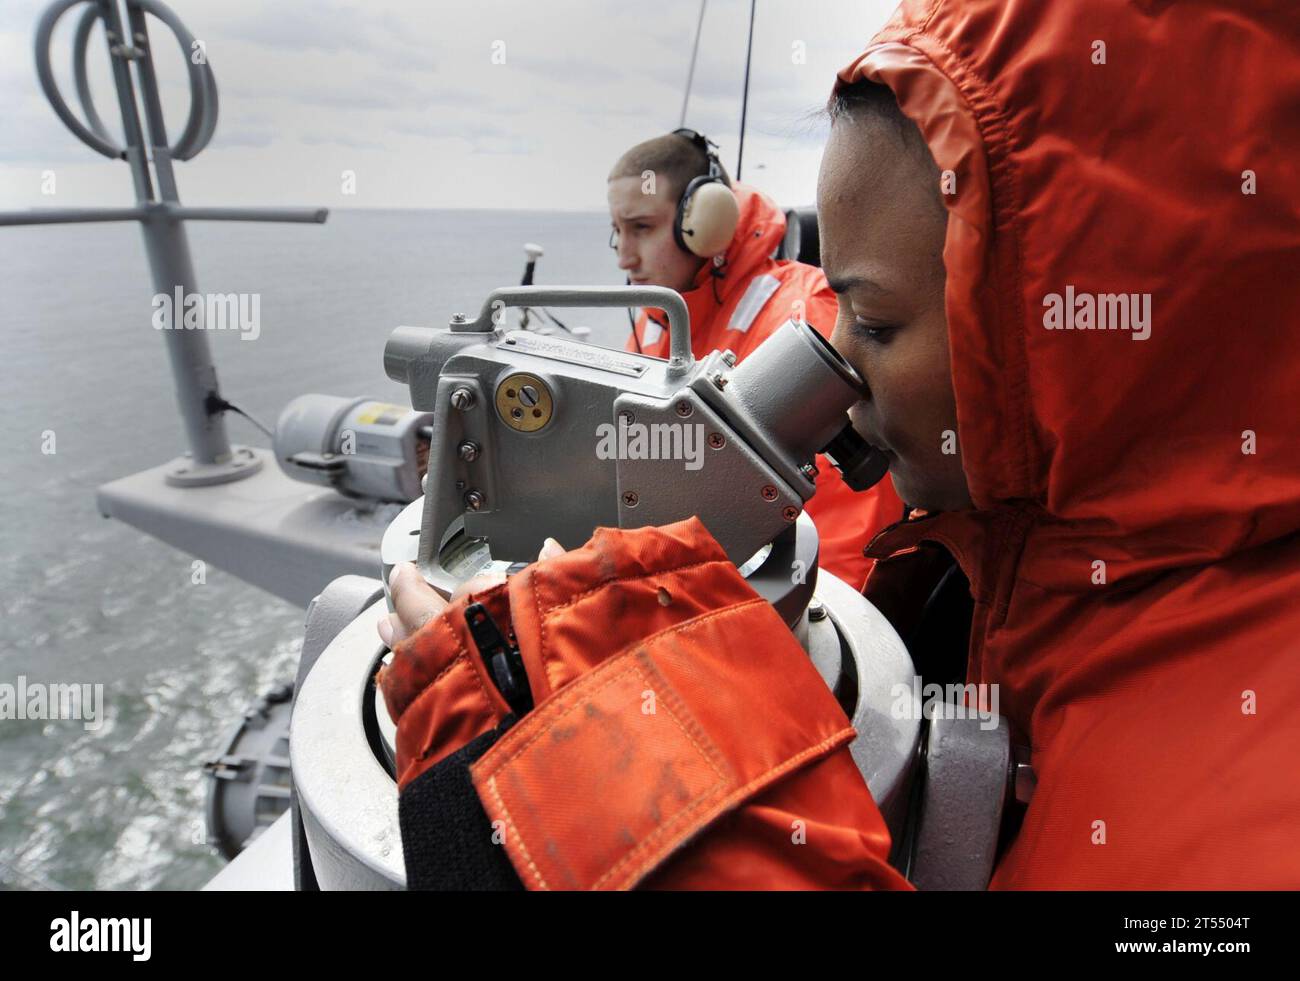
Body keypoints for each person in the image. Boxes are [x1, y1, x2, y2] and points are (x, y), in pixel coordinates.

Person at [378, 0, 1300, 889]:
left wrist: (604, 791)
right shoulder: (1039, 584)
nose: (840, 356)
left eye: (870, 319)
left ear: (1070, 338)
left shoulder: (1239, 840)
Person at [607, 128, 903, 589]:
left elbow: (846, 527)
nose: (624, 257)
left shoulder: (804, 321)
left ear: (706, 223)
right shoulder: (656, 323)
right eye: (617, 231)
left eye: (641, 228)